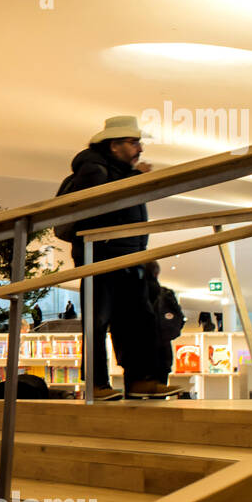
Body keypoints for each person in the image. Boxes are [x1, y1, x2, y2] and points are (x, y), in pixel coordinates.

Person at [61, 116, 180, 401]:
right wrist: (134, 179)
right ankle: (97, 383)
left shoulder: (118, 170)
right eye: (133, 142)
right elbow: (98, 205)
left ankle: (139, 380)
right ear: (114, 145)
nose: (139, 148)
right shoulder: (94, 169)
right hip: (102, 258)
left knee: (136, 321)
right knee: (99, 323)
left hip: (128, 259)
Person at [144, 261, 185, 385]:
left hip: (140, 352)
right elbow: (179, 320)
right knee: (160, 393)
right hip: (163, 350)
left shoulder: (135, 293)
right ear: (157, 273)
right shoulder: (166, 294)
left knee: (135, 396)